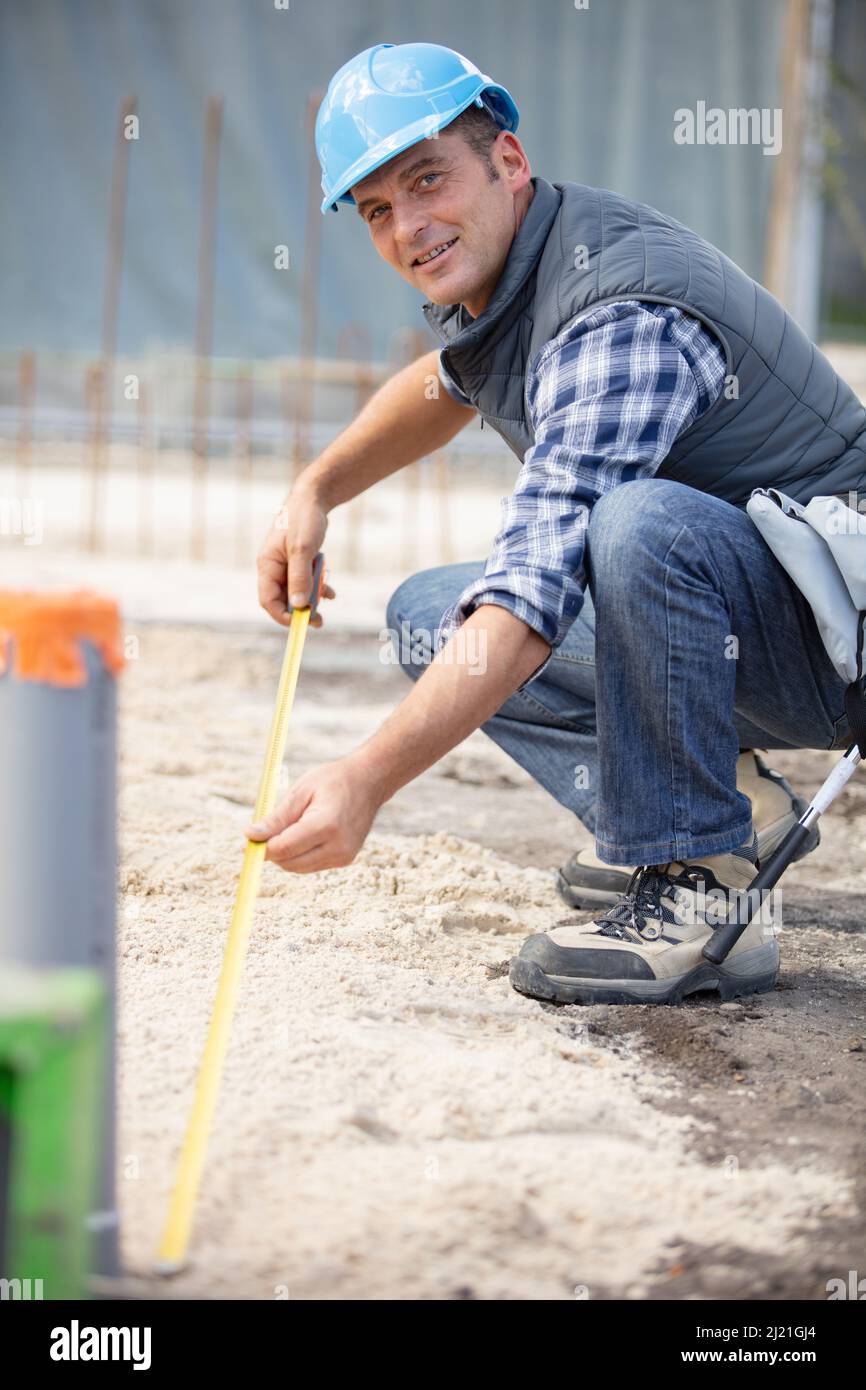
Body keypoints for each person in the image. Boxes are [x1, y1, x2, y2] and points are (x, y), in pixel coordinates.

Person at [249, 42, 865, 1006]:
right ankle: (728, 814)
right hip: (755, 617)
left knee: (634, 526)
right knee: (429, 611)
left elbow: (534, 595)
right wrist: (317, 489)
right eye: (377, 211)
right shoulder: (520, 268)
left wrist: (366, 777)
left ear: (507, 161)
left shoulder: (617, 313)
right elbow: (445, 384)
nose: (411, 227)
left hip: (840, 640)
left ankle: (706, 901)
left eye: (427, 181)